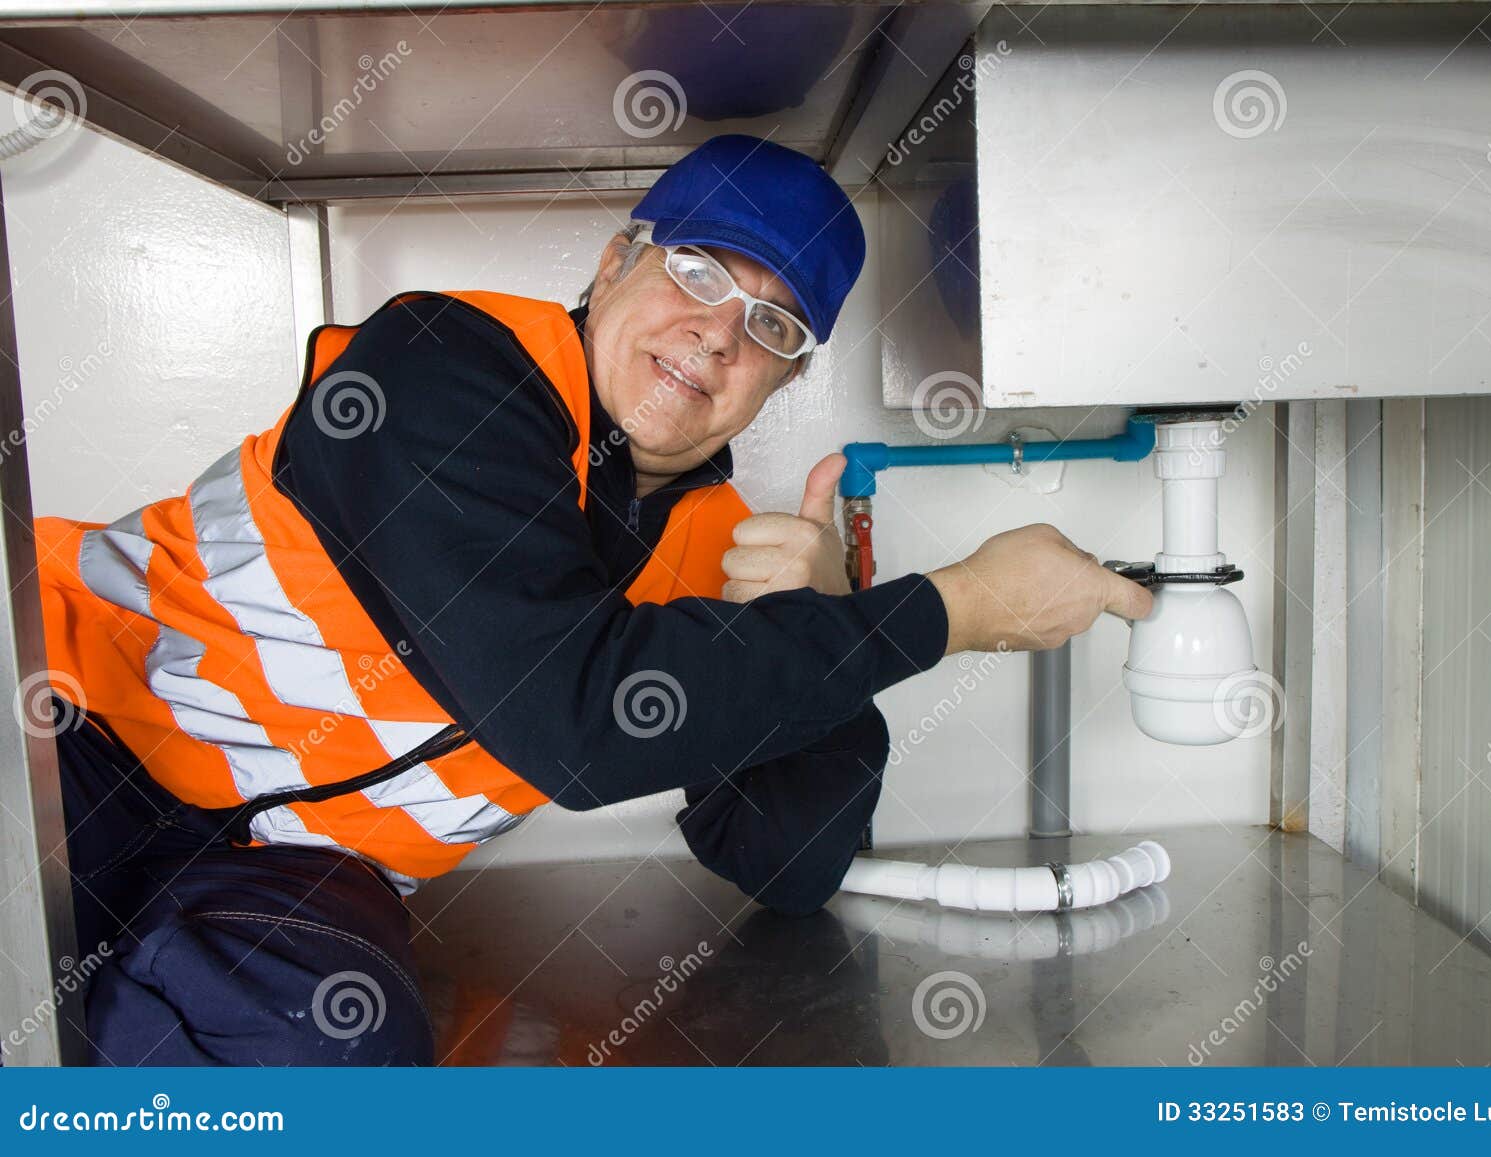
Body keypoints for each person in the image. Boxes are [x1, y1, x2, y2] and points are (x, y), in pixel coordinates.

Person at [32, 134, 1152, 1066]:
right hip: (65, 727)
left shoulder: (725, 551)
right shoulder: (443, 361)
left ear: (786, 378)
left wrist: (828, 612)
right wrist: (943, 611)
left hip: (283, 870)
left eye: (774, 326)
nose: (718, 331)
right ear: (618, 259)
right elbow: (569, 715)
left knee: (334, 1055)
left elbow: (786, 862)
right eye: (700, 271)